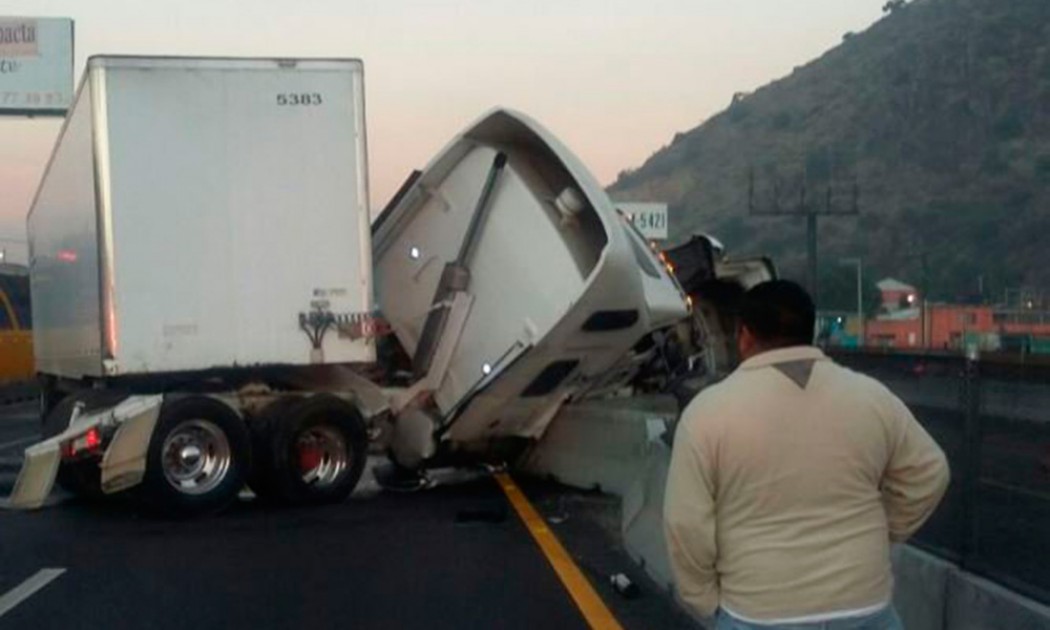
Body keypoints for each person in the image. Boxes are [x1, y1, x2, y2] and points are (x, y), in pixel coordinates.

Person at [664, 280, 949, 630]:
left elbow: (686, 523)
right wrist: (885, 530)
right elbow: (930, 471)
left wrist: (704, 598)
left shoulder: (707, 413)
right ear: (809, 331)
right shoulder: (871, 397)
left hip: (759, 609)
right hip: (864, 605)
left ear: (745, 335)